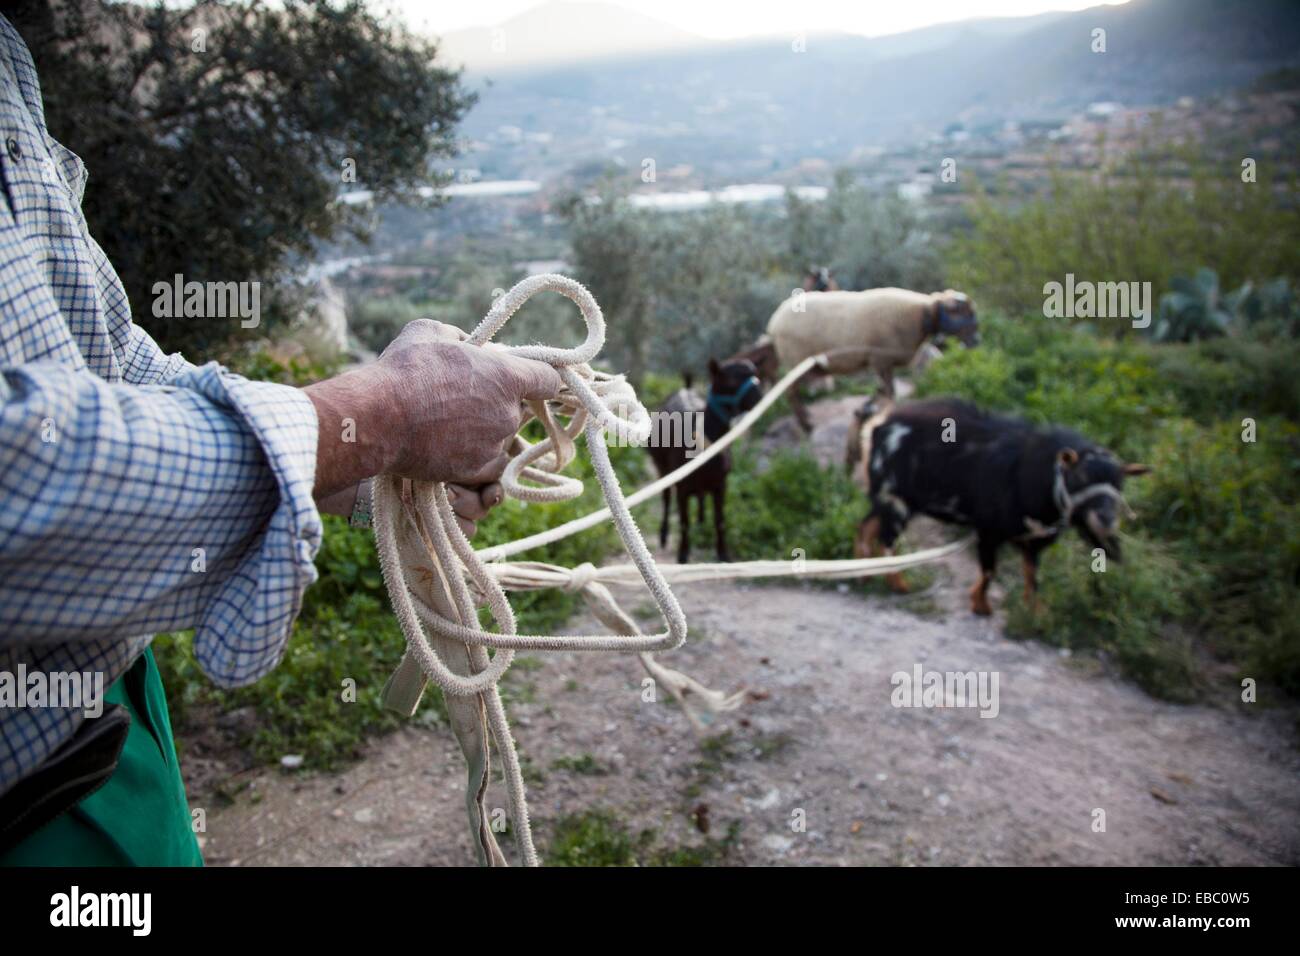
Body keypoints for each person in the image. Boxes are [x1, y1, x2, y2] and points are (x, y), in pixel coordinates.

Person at [0, 13, 561, 865]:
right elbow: (20, 473)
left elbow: (106, 363)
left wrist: (357, 462)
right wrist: (391, 413)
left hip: (110, 728)